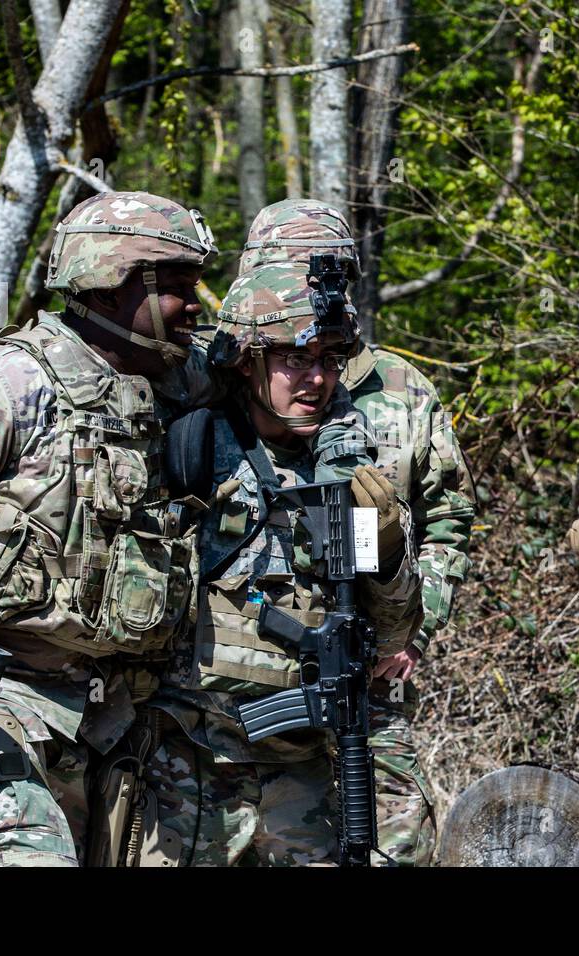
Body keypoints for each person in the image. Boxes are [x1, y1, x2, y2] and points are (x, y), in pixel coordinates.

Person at [0, 191, 370, 866]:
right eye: (176, 287)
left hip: (114, 725)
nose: (196, 306)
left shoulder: (172, 376)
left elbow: (283, 357)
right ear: (111, 286)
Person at [129, 263, 424, 866]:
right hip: (188, 765)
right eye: (296, 358)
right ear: (246, 360)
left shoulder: (347, 471)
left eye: (332, 360)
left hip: (305, 773)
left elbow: (393, 631)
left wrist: (386, 543)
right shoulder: (193, 447)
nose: (316, 378)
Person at [240, 198, 477, 864]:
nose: (305, 291)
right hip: (241, 681)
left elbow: (449, 515)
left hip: (366, 680)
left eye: (323, 274)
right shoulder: (230, 380)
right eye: (285, 272)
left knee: (394, 844)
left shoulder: (398, 389)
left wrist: (415, 625)